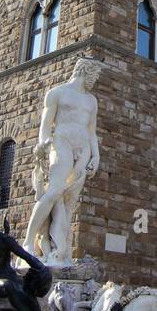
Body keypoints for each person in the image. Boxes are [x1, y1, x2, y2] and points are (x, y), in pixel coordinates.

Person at [24, 58, 102, 264]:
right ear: (86, 71)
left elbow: (92, 132)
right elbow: (46, 123)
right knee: (54, 191)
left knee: (69, 202)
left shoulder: (92, 101)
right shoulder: (57, 93)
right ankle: (29, 242)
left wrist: (96, 155)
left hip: (83, 148)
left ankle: (60, 249)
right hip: (62, 142)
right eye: (95, 75)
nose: (96, 80)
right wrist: (43, 143)